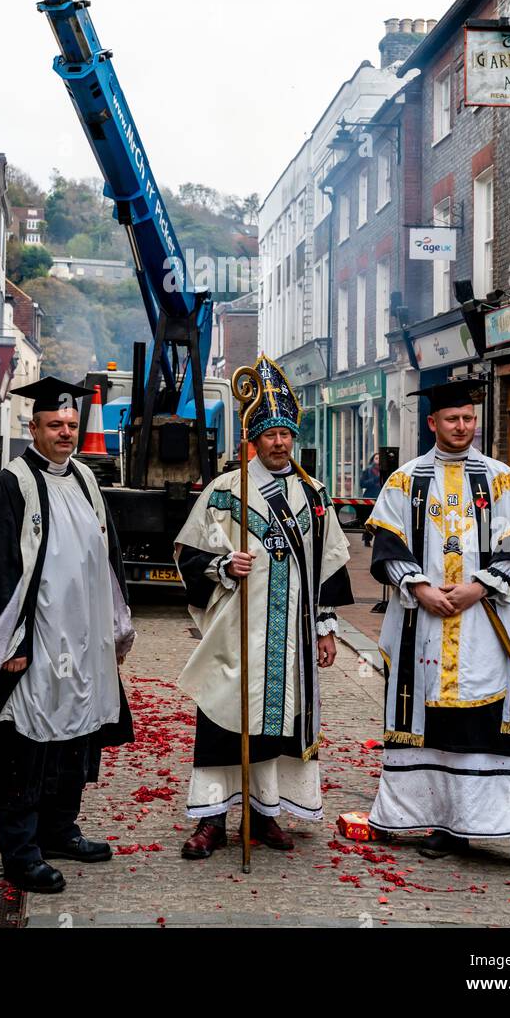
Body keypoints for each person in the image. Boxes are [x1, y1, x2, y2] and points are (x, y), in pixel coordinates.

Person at [365, 377, 510, 889]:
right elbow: (386, 550)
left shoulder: (504, 480)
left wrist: (479, 587)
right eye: (452, 419)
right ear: (432, 423)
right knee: (431, 721)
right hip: (423, 624)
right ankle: (448, 825)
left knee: (498, 722)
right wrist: (417, 588)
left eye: (468, 419)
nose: (462, 427)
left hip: (486, 623)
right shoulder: (404, 482)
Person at [0, 376, 134, 894]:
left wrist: (116, 628)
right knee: (23, 747)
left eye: (69, 425)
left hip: (83, 645)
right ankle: (21, 851)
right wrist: (8, 646)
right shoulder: (10, 487)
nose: (64, 433)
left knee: (76, 738)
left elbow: (104, 560)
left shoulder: (86, 480)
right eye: (53, 425)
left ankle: (60, 831)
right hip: (34, 646)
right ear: (33, 427)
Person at [172, 354, 354, 858]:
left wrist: (325, 627)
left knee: (278, 727)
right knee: (222, 720)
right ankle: (211, 819)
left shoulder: (314, 497)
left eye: (286, 434)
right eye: (270, 434)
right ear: (253, 438)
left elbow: (330, 568)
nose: (280, 443)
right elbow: (189, 558)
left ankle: (263, 814)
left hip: (291, 636)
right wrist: (224, 567)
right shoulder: (226, 492)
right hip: (237, 633)